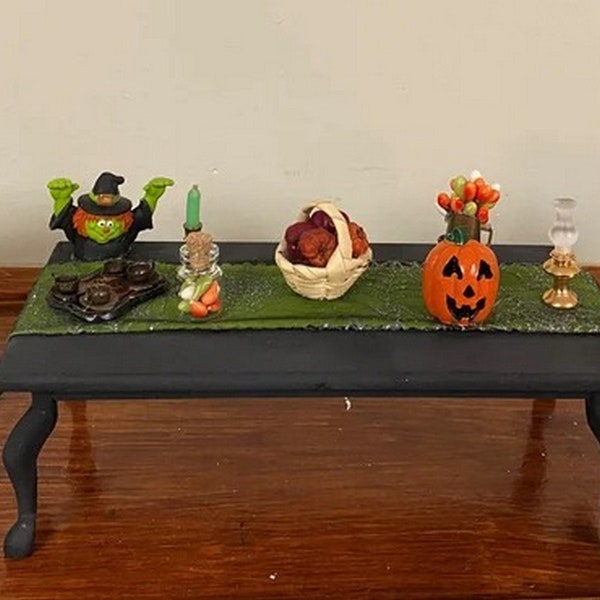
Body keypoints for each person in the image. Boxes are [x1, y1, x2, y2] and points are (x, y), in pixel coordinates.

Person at [48, 171, 174, 260]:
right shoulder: (75, 228)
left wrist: (152, 196)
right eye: (100, 223)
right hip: (82, 262)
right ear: (81, 221)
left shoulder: (128, 228)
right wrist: (61, 199)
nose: (105, 229)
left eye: (111, 223)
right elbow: (64, 215)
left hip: (120, 266)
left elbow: (143, 214)